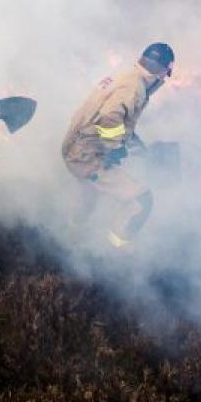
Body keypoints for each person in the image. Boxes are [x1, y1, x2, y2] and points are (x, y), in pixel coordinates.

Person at [60, 42, 174, 250]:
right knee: (141, 201)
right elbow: (110, 117)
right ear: (160, 69)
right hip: (85, 155)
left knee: (89, 195)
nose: (165, 77)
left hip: (78, 147)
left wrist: (132, 141)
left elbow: (114, 116)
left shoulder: (127, 77)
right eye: (167, 72)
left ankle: (70, 237)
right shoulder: (134, 88)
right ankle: (114, 252)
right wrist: (114, 147)